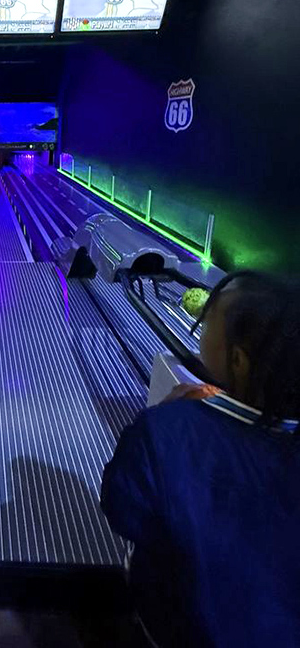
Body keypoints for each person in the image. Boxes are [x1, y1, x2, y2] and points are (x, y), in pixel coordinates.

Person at [101, 270, 300, 648]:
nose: (200, 322)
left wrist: (169, 412)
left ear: (238, 361)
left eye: (208, 319)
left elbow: (120, 508)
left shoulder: (167, 429)